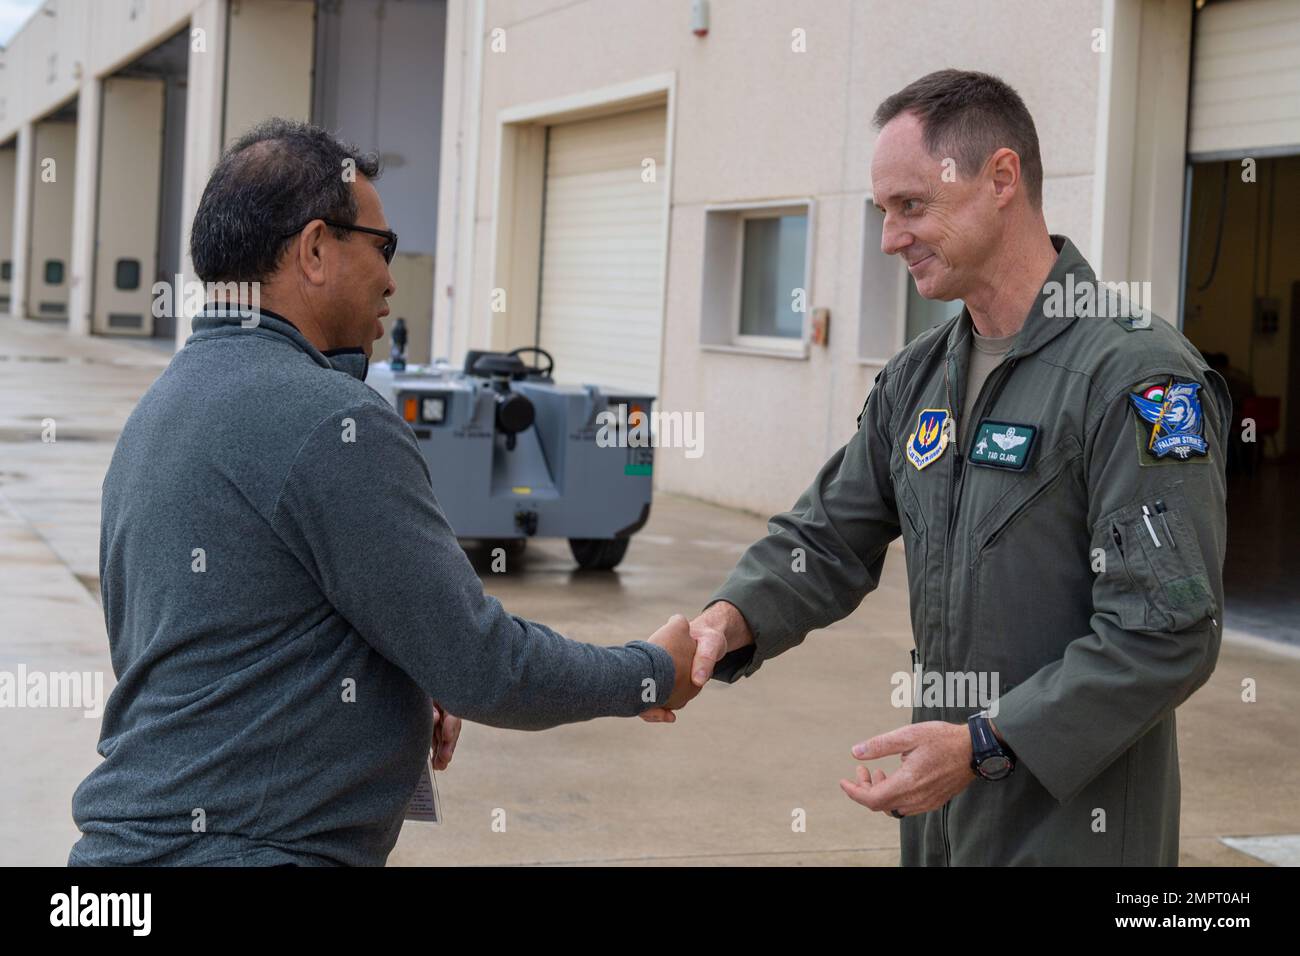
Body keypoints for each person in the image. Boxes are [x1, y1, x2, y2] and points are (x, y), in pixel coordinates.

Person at [68, 119, 699, 867]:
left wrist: (387, 682)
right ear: (313, 250)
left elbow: (221, 639)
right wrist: (650, 671)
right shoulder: (331, 419)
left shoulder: (162, 409)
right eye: (383, 247)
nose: (394, 279)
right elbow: (484, 666)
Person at [652, 70, 1231, 865]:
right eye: (884, 211)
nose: (891, 238)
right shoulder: (919, 377)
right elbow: (825, 539)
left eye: (911, 207)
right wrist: (726, 622)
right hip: (943, 825)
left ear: (1001, 179)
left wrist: (987, 744)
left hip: (1075, 833)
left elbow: (1166, 635)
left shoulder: (1137, 376)